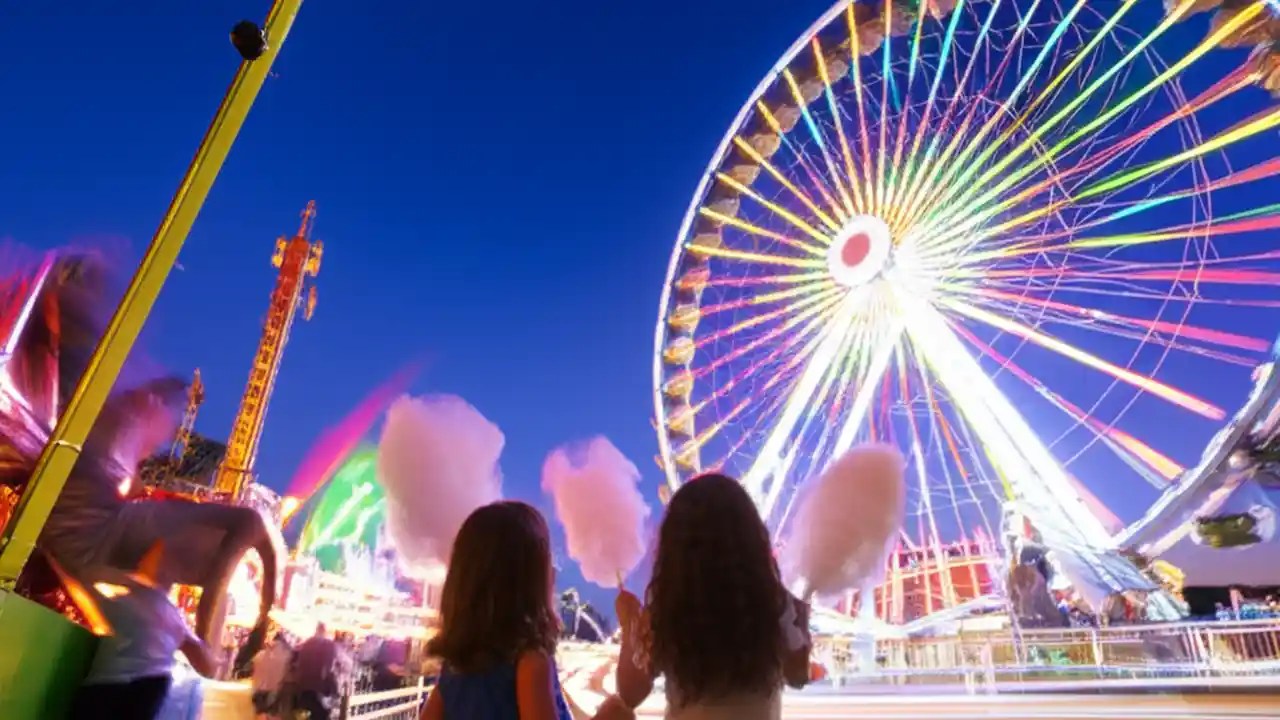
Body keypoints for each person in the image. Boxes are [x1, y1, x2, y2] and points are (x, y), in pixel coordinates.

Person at [610, 474, 812, 720]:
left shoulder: (668, 606)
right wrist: (801, 621)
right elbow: (798, 675)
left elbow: (631, 694)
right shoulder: (772, 600)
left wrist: (630, 623)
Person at [418, 501, 574, 720]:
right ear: (528, 583)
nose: (554, 571)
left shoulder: (454, 672)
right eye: (546, 561)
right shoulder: (531, 665)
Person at [70, 540, 218, 720]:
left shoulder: (130, 601)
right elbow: (207, 666)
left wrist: (131, 580)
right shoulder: (173, 616)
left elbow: (82, 577)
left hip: (109, 687)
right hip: (148, 689)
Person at [294, 622, 341, 719]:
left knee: (303, 716)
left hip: (303, 690)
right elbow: (329, 670)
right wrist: (335, 691)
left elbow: (299, 665)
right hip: (320, 692)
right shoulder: (329, 645)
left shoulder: (306, 644)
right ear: (325, 631)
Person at [251, 632, 294, 719]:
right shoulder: (287, 656)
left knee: (260, 712)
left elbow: (254, 668)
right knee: (272, 714)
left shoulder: (261, 654)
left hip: (258, 688)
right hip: (276, 690)